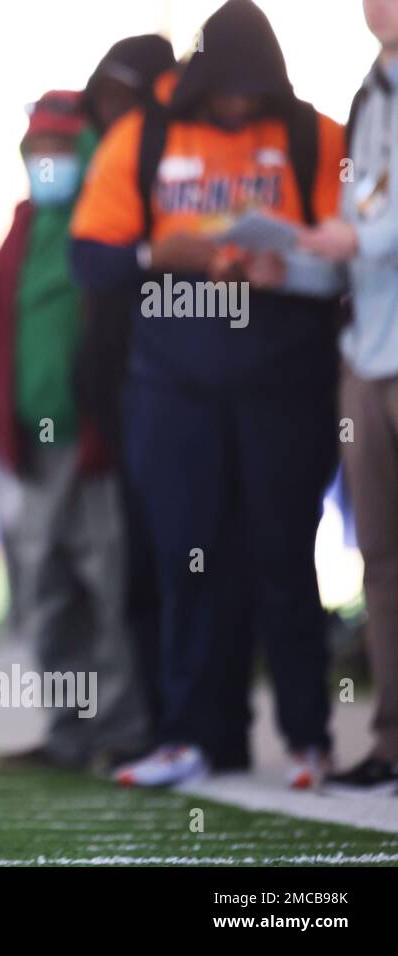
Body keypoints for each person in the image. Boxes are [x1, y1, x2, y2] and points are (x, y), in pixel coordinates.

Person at [71, 0, 347, 789]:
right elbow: (94, 259)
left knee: (284, 555)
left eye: (251, 95)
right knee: (185, 556)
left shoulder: (313, 136)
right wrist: (166, 249)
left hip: (285, 380)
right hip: (173, 386)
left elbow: (350, 256)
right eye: (226, 93)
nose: (236, 107)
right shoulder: (146, 134)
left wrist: (280, 268)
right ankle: (193, 736)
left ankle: (308, 740)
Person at [0, 90, 149, 774]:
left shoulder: (102, 219)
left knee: (109, 586)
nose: (47, 161)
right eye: (37, 150)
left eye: (59, 147)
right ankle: (68, 733)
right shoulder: (23, 225)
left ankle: (124, 730)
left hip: (95, 442)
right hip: (35, 443)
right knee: (48, 589)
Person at [300, 0, 398, 790]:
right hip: (366, 356)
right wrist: (295, 259)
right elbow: (359, 208)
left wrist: (356, 237)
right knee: (382, 558)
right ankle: (393, 739)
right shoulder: (368, 95)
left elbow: (368, 224)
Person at [74, 33, 177, 746]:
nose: (111, 114)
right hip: (121, 408)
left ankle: (181, 724)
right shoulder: (107, 168)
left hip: (173, 399)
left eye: (120, 98)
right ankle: (147, 723)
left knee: (173, 568)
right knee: (134, 575)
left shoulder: (172, 158)